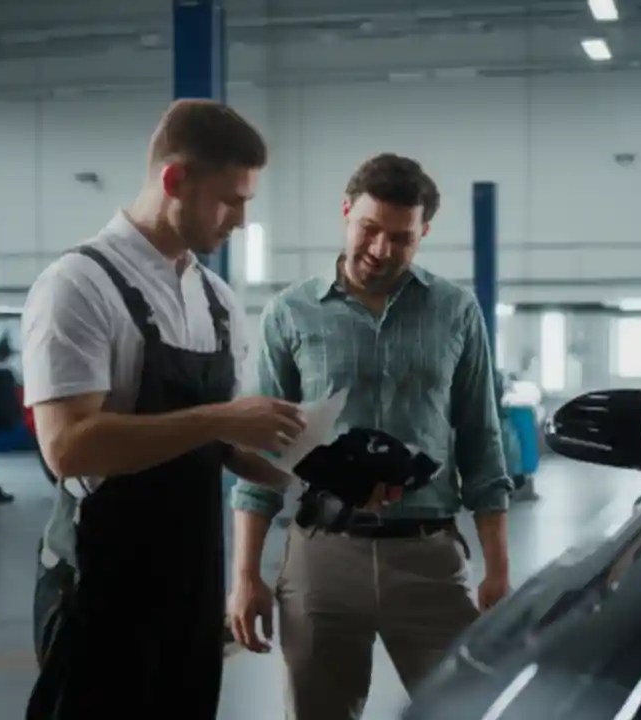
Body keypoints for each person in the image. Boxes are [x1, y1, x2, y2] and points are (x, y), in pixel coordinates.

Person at [20, 99, 304, 720]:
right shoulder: (78, 285)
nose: (242, 220)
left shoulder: (217, 300)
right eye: (231, 199)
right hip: (101, 587)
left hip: (189, 585)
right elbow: (67, 448)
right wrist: (220, 419)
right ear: (175, 181)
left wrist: (310, 478)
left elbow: (217, 444)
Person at [227, 152, 514, 719]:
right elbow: (264, 450)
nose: (382, 250)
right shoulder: (291, 313)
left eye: (402, 238)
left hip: (429, 559)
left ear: (424, 232)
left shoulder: (455, 311)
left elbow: (482, 441)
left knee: (468, 710)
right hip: (322, 558)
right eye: (370, 228)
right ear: (346, 213)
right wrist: (245, 575)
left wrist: (499, 572)